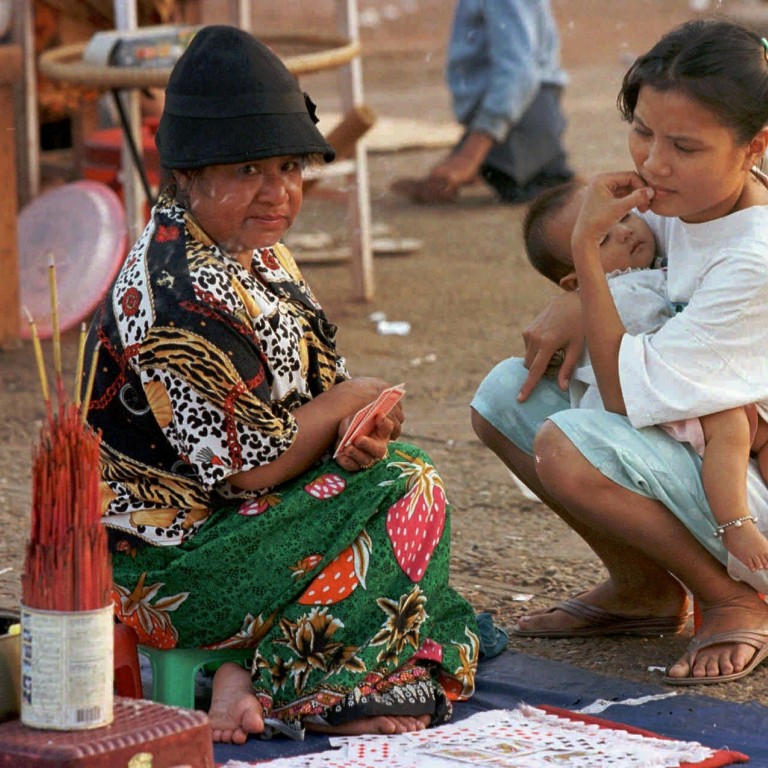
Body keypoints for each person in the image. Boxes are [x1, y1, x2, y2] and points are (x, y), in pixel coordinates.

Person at [83, 25, 481, 744]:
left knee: (397, 488)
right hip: (170, 569)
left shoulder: (253, 251)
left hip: (247, 527)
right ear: (188, 175)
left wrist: (359, 429)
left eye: (290, 168)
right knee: (410, 488)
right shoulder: (178, 295)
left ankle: (243, 671)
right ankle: (285, 682)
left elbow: (313, 401)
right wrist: (348, 403)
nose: (278, 192)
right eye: (248, 170)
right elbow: (250, 468)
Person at [471, 17, 768, 685]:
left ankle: (734, 599)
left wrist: (585, 255)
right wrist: (577, 295)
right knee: (502, 395)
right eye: (642, 131)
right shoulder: (683, 200)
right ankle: (644, 591)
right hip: (702, 452)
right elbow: (625, 273)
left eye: (684, 146)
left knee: (568, 445)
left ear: (754, 146)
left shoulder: (753, 258)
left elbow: (623, 398)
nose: (654, 163)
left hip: (745, 508)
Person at [525, 180, 768, 573]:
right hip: (650, 397)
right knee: (731, 426)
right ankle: (735, 522)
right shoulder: (626, 293)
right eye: (602, 239)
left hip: (667, 384)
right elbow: (643, 372)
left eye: (625, 216)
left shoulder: (656, 256)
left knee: (757, 432)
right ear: (576, 277)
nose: (625, 231)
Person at [390, 0, 574, 205]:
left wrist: (469, 156)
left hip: (523, 113)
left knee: (540, 190)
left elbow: (520, 73)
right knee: (444, 181)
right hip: (516, 111)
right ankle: (507, 164)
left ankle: (507, 163)